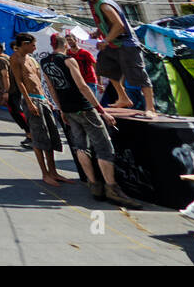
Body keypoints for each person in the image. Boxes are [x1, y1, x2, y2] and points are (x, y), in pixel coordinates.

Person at [41, 33, 143, 208]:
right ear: (64, 44)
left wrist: (61, 109)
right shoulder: (68, 60)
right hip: (83, 107)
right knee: (103, 146)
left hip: (68, 108)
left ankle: (94, 184)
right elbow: (82, 86)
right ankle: (111, 187)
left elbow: (51, 86)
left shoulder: (45, 62)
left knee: (81, 146)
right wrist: (101, 110)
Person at [69, 0, 156, 117]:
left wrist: (105, 41)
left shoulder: (104, 4)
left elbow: (119, 25)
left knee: (138, 74)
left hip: (126, 44)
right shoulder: (94, 3)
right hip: (113, 44)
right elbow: (106, 23)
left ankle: (150, 108)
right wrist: (98, 32)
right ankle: (123, 98)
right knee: (104, 67)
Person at [10, 33, 72, 187]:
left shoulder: (32, 59)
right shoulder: (16, 58)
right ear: (24, 44)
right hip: (31, 99)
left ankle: (53, 172)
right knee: (39, 138)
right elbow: (20, 82)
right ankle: (45, 174)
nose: (35, 48)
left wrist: (47, 99)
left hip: (42, 99)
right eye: (32, 45)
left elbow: (38, 81)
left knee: (50, 136)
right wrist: (30, 102)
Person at [64, 32, 102, 101]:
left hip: (89, 81)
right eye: (67, 40)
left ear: (75, 40)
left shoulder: (85, 53)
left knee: (92, 103)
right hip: (76, 82)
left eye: (70, 39)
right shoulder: (67, 53)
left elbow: (96, 67)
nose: (69, 42)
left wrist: (99, 83)